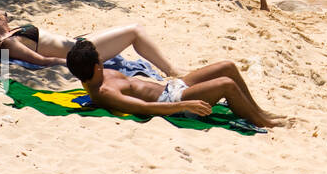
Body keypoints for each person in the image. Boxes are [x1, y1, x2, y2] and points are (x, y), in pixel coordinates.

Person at [66, 38, 285, 129]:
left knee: (227, 66)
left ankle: (259, 111)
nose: (103, 61)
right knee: (226, 83)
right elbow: (144, 108)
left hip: (171, 87)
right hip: (172, 101)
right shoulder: (105, 91)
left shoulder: (94, 74)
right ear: (95, 68)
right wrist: (184, 105)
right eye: (99, 60)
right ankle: (262, 122)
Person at [0, 6, 184, 77]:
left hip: (78, 43)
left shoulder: (9, 36)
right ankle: (172, 71)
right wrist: (72, 64)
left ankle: (171, 70)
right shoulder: (8, 42)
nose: (7, 15)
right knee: (135, 30)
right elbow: (41, 60)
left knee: (126, 29)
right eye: (3, 14)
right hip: (81, 52)